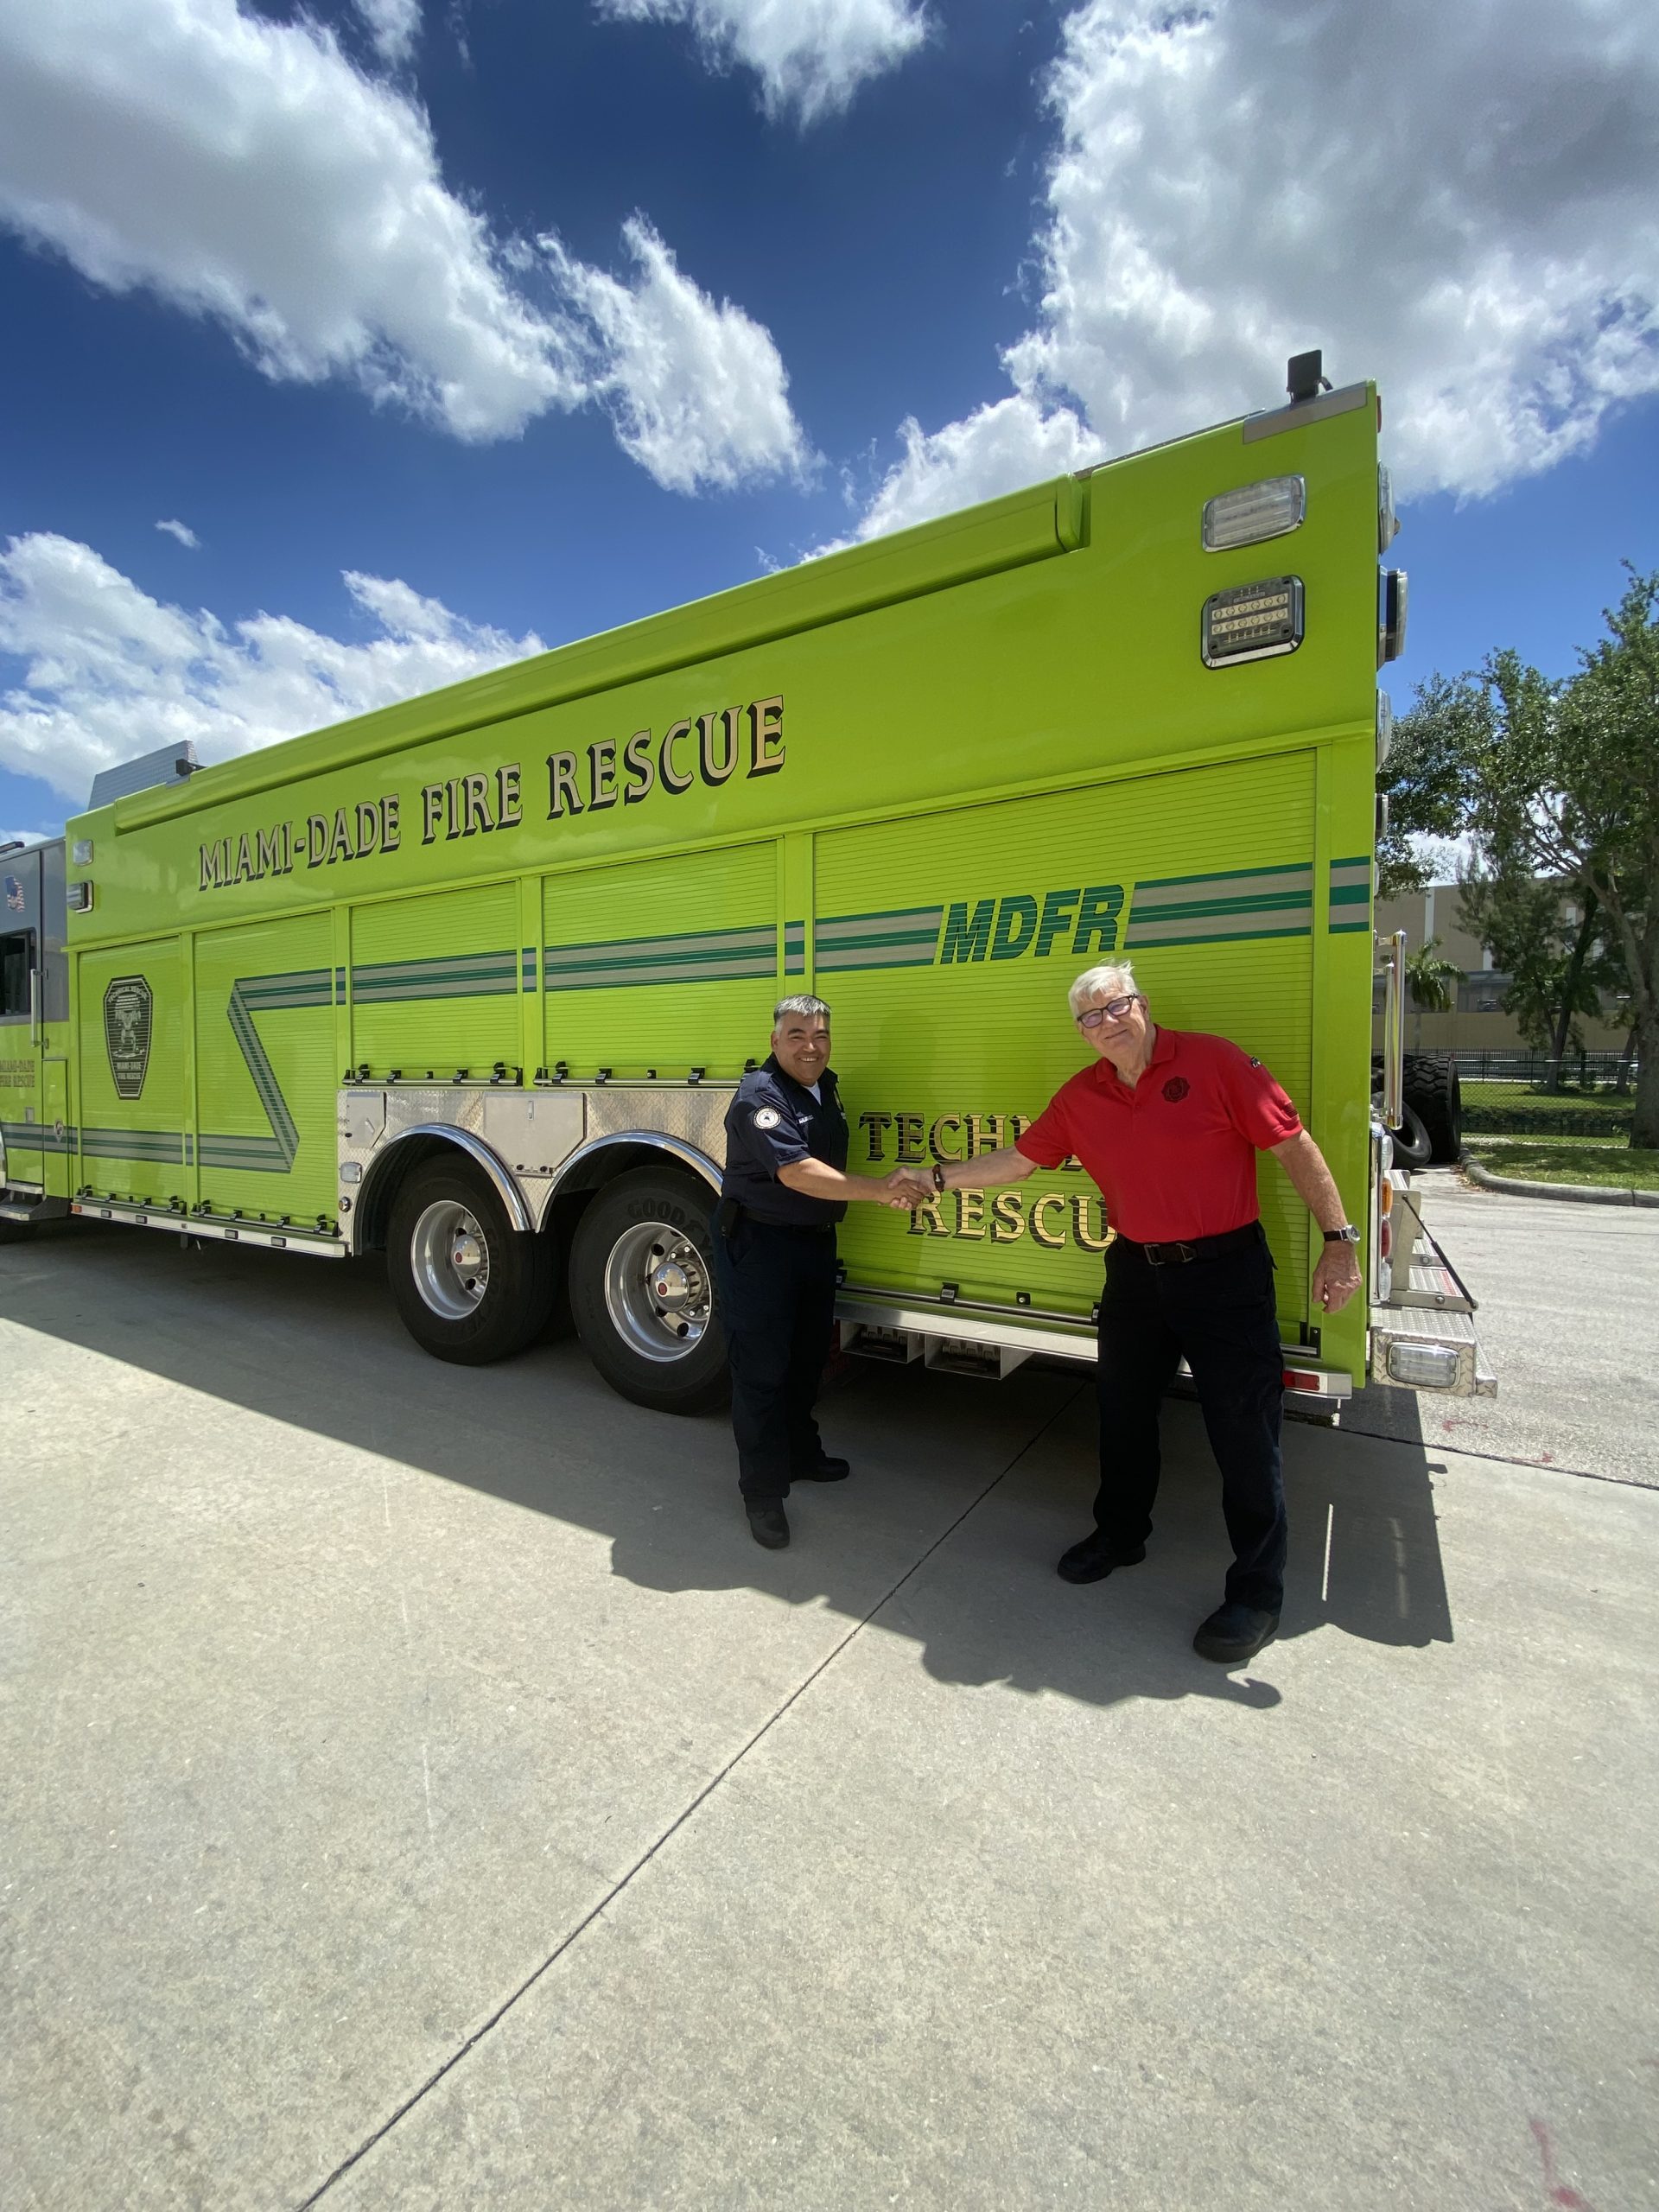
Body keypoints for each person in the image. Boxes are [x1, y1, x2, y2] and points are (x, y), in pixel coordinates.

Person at [899, 962, 1362, 1663]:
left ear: (1141, 1005)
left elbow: (1292, 1144)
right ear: (1081, 1033)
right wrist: (935, 1178)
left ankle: (1257, 1592)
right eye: (1089, 1017)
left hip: (1225, 1274)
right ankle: (1120, 1535)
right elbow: (1020, 1162)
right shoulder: (1081, 1098)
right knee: (1122, 1415)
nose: (1105, 1023)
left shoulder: (1214, 1061)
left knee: (1243, 1432)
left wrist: (1339, 1242)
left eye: (1115, 1007)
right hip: (1136, 1274)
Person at [716, 995, 915, 1550]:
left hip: (812, 1244)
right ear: (775, 1040)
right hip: (760, 1244)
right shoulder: (760, 1096)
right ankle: (762, 1493)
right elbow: (799, 1172)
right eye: (798, 1034)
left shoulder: (826, 1087)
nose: (811, 1045)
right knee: (761, 1371)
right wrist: (881, 1191)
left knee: (807, 1360)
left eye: (821, 1035)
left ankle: (801, 1454)